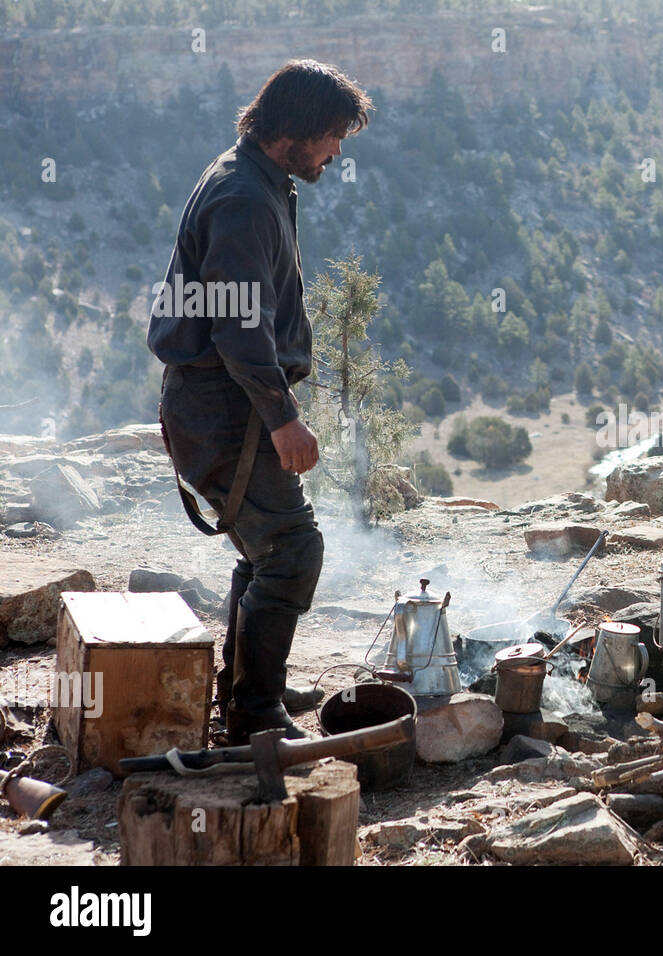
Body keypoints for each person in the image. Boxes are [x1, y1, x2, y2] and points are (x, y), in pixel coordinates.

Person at [148, 60, 373, 745]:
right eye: (332, 136)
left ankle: (251, 686)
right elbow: (239, 327)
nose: (337, 152)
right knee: (293, 550)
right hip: (225, 412)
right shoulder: (244, 198)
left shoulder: (257, 178)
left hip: (224, 405)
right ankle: (253, 714)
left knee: (264, 549)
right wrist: (283, 418)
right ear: (295, 132)